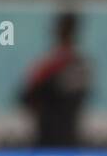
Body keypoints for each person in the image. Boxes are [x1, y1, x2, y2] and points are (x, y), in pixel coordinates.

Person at [18, 11, 93, 148]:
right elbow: (25, 98)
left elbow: (26, 97)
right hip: (56, 137)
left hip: (58, 136)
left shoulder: (52, 67)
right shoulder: (76, 66)